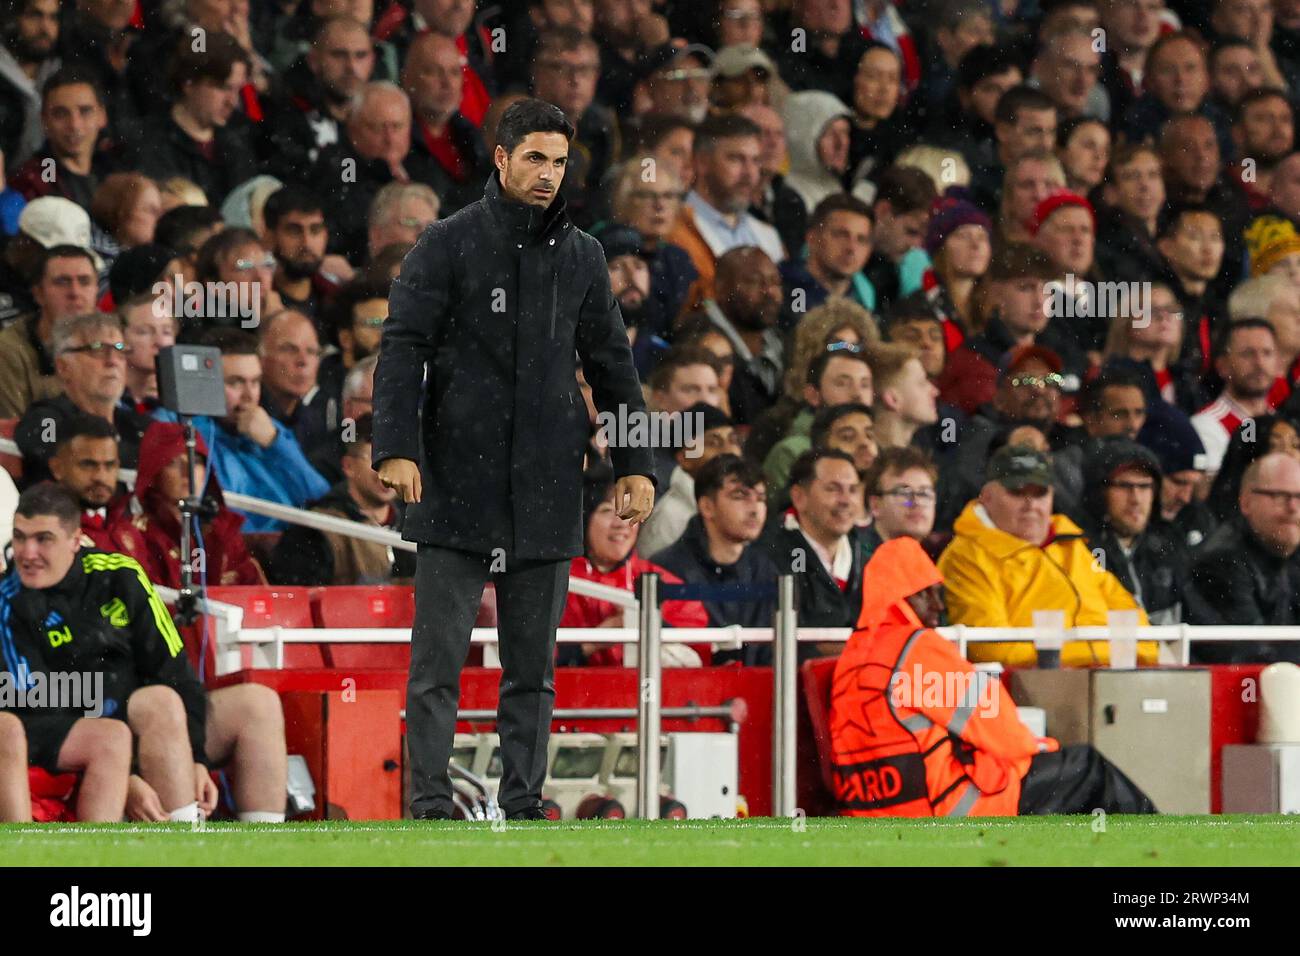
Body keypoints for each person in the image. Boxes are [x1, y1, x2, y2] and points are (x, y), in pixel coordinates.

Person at [372, 99, 656, 821]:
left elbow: (613, 365)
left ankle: (524, 802)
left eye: (559, 162)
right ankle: (430, 804)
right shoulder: (445, 242)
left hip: (548, 483)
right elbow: (402, 347)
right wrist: (396, 447)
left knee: (533, 668)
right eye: (534, 158)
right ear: (500, 158)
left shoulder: (584, 255)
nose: (548, 174)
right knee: (438, 664)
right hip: (455, 480)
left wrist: (636, 463)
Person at [1, 482, 286, 822]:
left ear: (76, 540)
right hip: (94, 738)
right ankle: (184, 841)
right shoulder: (9, 600)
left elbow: (174, 669)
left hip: (156, 732)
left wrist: (196, 756)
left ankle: (264, 843)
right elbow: (38, 706)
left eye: (43, 539)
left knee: (257, 704)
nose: (28, 553)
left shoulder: (120, 576)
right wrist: (125, 772)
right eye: (19, 538)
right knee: (156, 703)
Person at [830, 535, 1157, 817]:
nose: (937, 606)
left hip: (874, 813)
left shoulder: (854, 655)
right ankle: (1161, 848)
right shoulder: (917, 648)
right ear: (900, 598)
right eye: (925, 594)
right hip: (947, 809)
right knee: (1086, 767)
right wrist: (1038, 747)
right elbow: (996, 723)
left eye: (938, 594)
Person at [937, 444, 1155, 667]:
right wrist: (1098, 654)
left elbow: (1133, 620)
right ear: (987, 497)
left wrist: (1137, 656)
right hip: (1031, 683)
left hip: (1107, 674)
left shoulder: (1071, 543)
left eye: (1040, 493)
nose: (1030, 504)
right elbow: (993, 649)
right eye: (1017, 492)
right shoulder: (966, 556)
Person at [153, 328, 331, 533]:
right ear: (206, 383)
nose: (249, 395)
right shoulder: (184, 430)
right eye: (235, 382)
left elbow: (322, 500)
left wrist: (275, 443)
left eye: (255, 382)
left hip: (290, 543)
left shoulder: (270, 431)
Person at [558, 465, 707, 667]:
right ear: (583, 520)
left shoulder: (660, 582)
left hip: (650, 687)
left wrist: (647, 621)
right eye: (607, 511)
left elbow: (700, 655)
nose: (620, 523)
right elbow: (534, 660)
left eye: (629, 512)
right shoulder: (556, 582)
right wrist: (593, 642)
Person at [650, 454, 780, 665]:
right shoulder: (667, 570)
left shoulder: (766, 569)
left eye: (761, 498)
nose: (754, 509)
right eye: (740, 496)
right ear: (707, 506)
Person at [268, 413, 416, 587]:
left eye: (395, 460)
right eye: (375, 460)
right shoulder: (314, 531)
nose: (386, 471)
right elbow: (299, 597)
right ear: (348, 466)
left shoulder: (415, 527)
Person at [1187, 452, 1300, 662]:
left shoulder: (1291, 552)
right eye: (1279, 496)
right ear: (1246, 502)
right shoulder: (1221, 560)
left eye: (1299, 497)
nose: (1293, 508)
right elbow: (1255, 652)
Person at [129, 421, 266, 590]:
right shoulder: (136, 534)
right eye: (173, 462)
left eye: (196, 461)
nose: (188, 472)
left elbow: (253, 591)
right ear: (154, 471)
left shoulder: (222, 528)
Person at [636, 403, 741, 559]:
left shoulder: (745, 507)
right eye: (713, 443)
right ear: (684, 457)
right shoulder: (669, 518)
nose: (729, 451)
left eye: (734, 440)